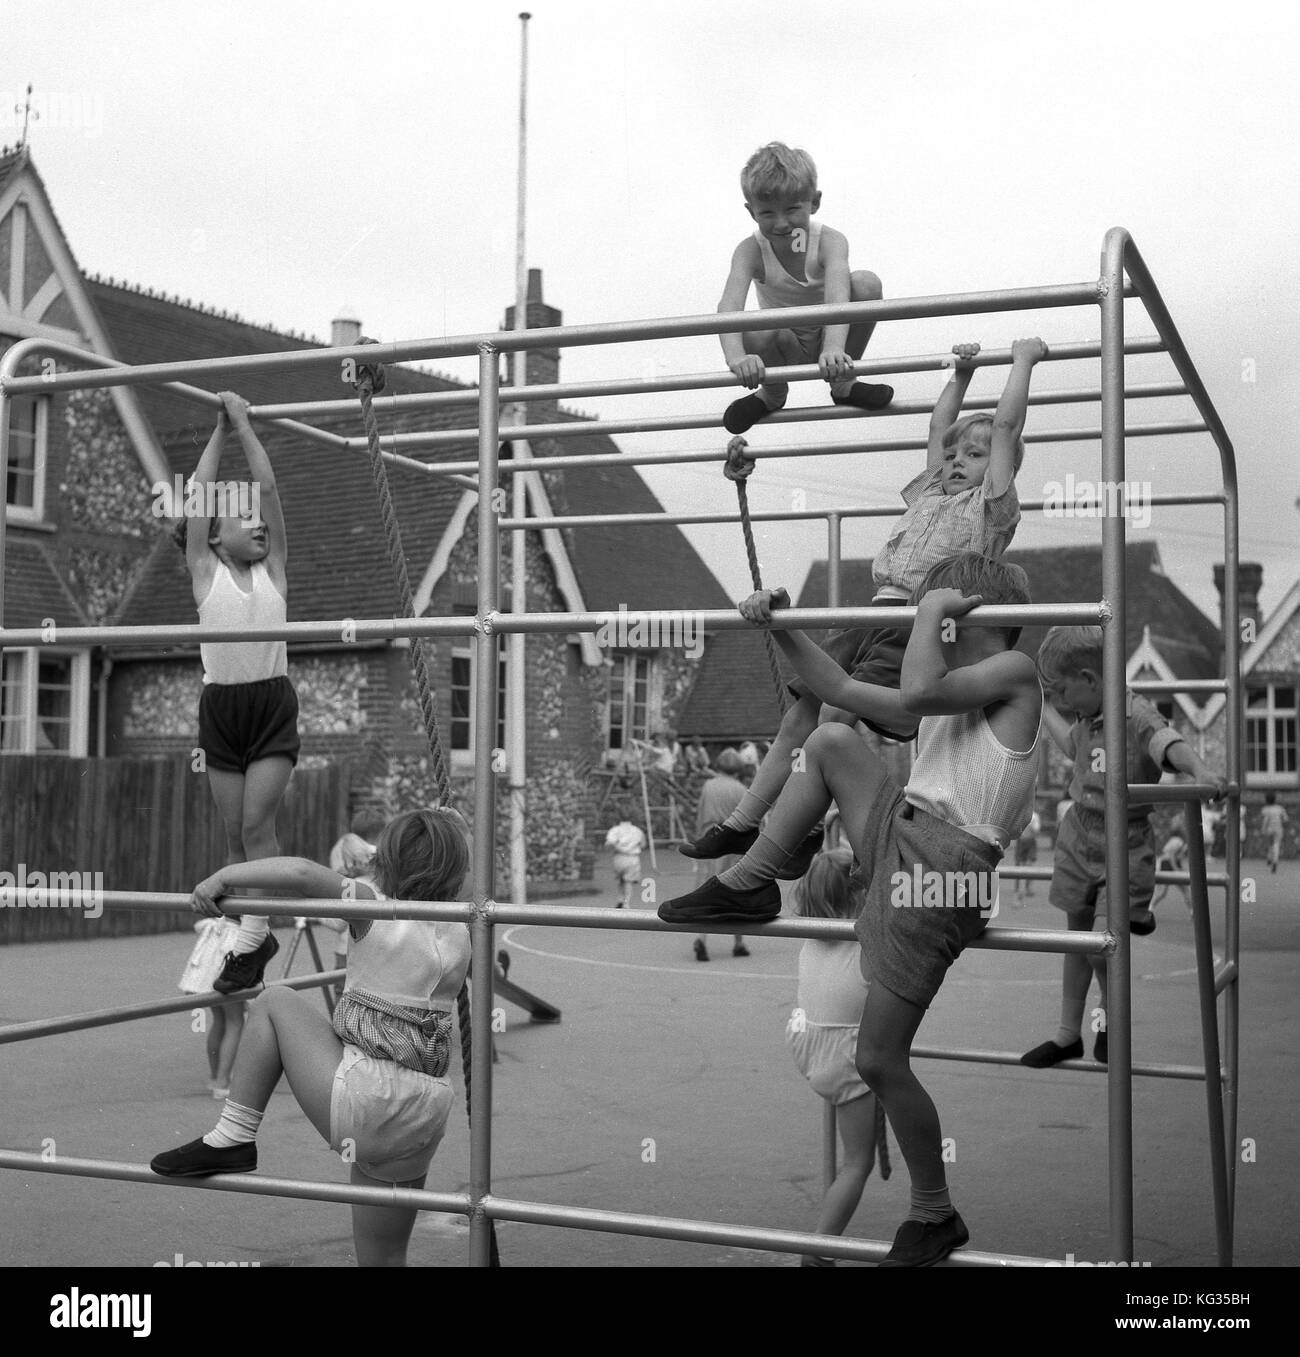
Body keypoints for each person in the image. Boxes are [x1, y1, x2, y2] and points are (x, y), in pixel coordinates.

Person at [661, 552, 1043, 1266]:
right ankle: (752, 877)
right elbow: (835, 686)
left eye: (936, 617)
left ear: (968, 620)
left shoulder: (1017, 676)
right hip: (906, 831)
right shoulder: (946, 690)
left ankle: (935, 1211)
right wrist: (778, 625)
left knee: (878, 1057)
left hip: (945, 868)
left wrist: (929, 612)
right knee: (830, 736)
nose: (921, 628)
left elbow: (921, 687)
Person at [682, 337, 1048, 880]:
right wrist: (961, 375)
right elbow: (935, 431)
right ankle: (741, 819)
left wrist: (1022, 361)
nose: (955, 464)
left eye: (973, 456)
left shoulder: (989, 507)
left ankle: (801, 829)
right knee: (799, 719)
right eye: (952, 457)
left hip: (913, 624)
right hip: (871, 613)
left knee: (833, 715)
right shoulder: (930, 493)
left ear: (999, 467)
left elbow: (1005, 430)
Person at [151, 808, 471, 1268]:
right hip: (426, 1112)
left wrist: (222, 876)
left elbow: (300, 872)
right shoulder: (463, 923)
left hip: (370, 1102)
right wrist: (462, 830)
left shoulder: (373, 906)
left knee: (274, 1002)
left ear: (390, 861)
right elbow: (472, 878)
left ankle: (233, 1135)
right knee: (385, 1258)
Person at [1020, 627, 1226, 1070]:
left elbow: (1166, 744)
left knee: (1101, 946)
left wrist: (1202, 771)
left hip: (1123, 838)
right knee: (1077, 941)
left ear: (1091, 679)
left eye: (1062, 692)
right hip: (1079, 834)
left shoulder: (1135, 715)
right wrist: (1035, 702)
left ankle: (1111, 1022)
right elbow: (1068, 745)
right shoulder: (1086, 718)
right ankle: (1066, 1033)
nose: (1061, 702)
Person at [175, 391, 298, 994]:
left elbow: (268, 492)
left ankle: (253, 935)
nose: (255, 524)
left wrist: (245, 424)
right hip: (222, 709)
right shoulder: (205, 572)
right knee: (233, 836)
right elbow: (198, 495)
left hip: (270, 704)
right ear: (214, 540)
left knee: (256, 826)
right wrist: (218, 433)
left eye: (257, 521)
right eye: (240, 520)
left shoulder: (276, 574)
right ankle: (253, 934)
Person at [717, 141, 892, 435]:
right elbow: (729, 305)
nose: (782, 223)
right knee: (755, 326)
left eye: (792, 209)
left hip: (834, 337)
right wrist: (736, 358)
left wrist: (834, 348)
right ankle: (771, 395)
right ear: (751, 212)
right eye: (768, 213)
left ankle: (843, 383)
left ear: (815, 201)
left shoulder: (829, 241)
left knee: (866, 284)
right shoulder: (750, 250)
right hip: (784, 345)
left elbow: (838, 295)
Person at [786, 847, 888, 1266]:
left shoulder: (811, 936)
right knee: (855, 1163)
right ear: (860, 893)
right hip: (843, 1054)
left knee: (859, 1131)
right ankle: (820, 1250)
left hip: (805, 1038)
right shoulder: (867, 942)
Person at [692, 749, 752, 962]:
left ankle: (701, 938)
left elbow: (700, 814)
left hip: (710, 840)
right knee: (734, 893)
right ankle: (738, 942)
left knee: (706, 892)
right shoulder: (741, 789)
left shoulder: (708, 786)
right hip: (731, 843)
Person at [177, 914, 245, 1099]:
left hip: (216, 942)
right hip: (232, 943)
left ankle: (216, 1076)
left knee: (220, 1019)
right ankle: (222, 1082)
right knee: (235, 1021)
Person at [605, 810, 647, 909]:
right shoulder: (637, 830)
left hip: (619, 857)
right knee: (628, 881)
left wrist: (617, 846)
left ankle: (620, 898)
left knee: (621, 880)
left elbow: (609, 843)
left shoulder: (615, 830)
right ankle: (626, 902)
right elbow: (643, 844)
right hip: (632, 858)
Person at [1151, 830, 1190, 911]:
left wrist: (1180, 869)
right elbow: (1171, 855)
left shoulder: (1180, 842)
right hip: (1165, 863)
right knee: (1162, 892)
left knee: (1185, 889)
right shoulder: (1178, 841)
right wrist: (1176, 869)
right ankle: (1150, 908)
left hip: (1168, 863)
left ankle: (1193, 910)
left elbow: (1177, 858)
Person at [1012, 810, 1041, 899]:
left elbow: (1036, 830)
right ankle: (1019, 888)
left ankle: (1026, 888)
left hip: (1029, 841)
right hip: (1023, 841)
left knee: (1028, 864)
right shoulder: (1022, 814)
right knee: (1020, 864)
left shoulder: (1034, 816)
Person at [1260, 792, 1289, 873]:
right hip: (1278, 828)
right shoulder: (1279, 808)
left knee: (1269, 844)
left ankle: (1269, 858)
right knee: (1276, 844)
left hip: (1269, 829)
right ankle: (1275, 861)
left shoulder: (1265, 809)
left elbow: (1265, 820)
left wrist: (1263, 829)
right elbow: (1286, 818)